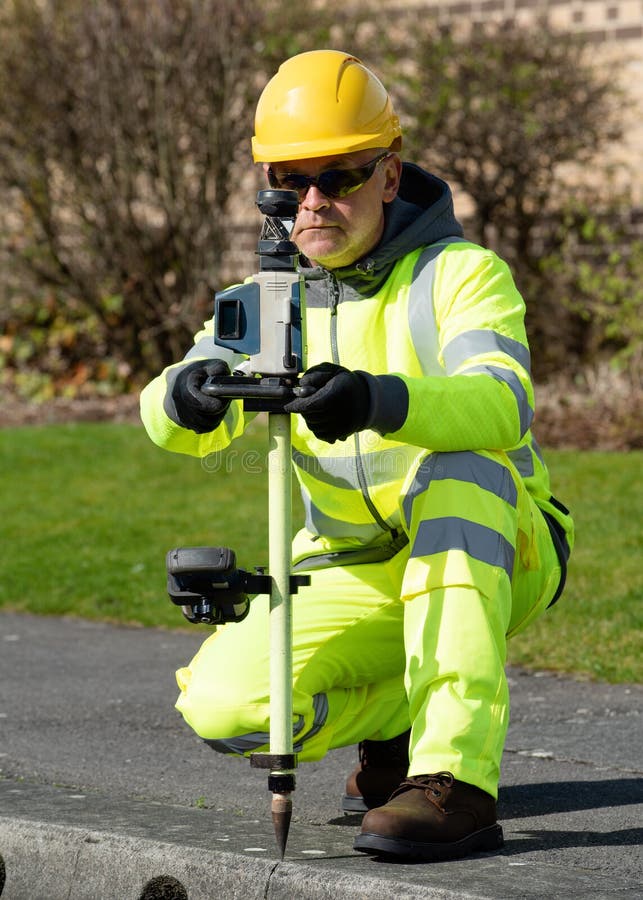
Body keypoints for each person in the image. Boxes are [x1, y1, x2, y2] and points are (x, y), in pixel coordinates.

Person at [140, 49, 574, 861]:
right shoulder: (268, 300)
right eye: (288, 179)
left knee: (461, 470)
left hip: (495, 547)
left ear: (387, 173)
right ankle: (402, 721)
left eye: (339, 176)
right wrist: (186, 393)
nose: (311, 201)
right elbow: (165, 416)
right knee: (227, 708)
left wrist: (378, 398)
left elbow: (502, 402)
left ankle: (455, 780)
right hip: (349, 566)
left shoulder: (461, 275)